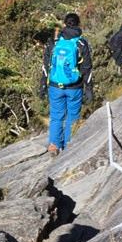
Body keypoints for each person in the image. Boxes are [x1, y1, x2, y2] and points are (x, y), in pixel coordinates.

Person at [41, 12, 93, 156]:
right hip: (74, 87)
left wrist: (43, 85)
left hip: (55, 85)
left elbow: (46, 66)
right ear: (78, 25)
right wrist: (89, 89)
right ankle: (69, 145)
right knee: (73, 116)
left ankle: (54, 145)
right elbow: (87, 68)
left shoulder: (54, 42)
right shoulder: (81, 43)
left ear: (64, 24)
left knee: (56, 116)